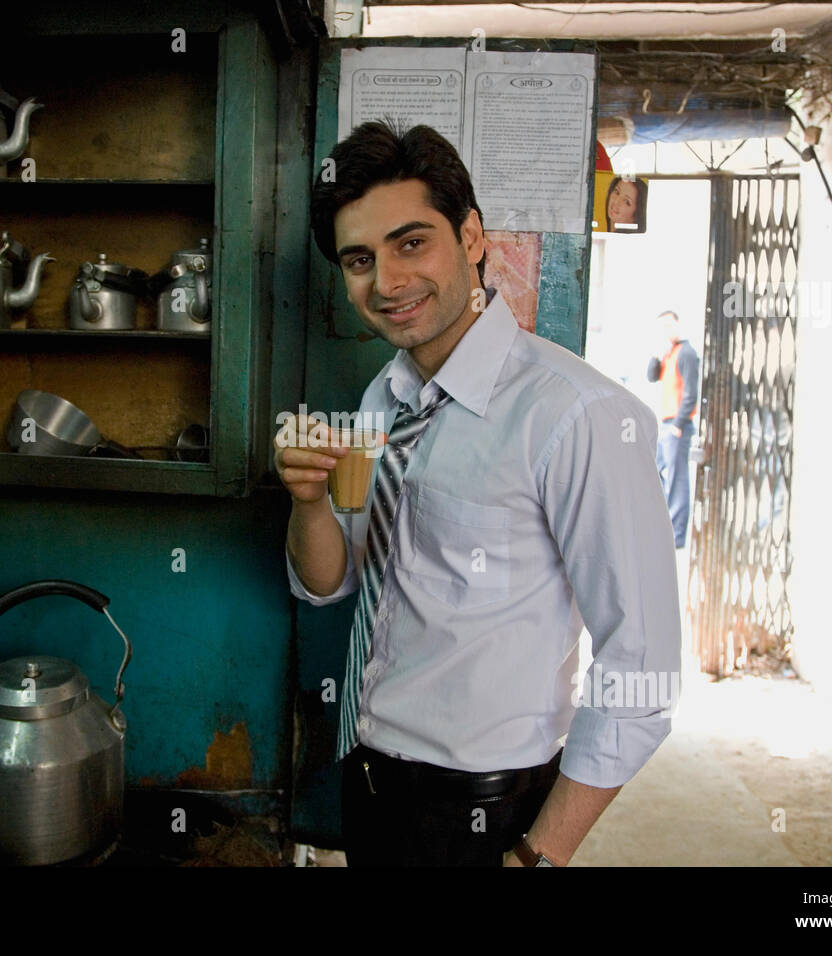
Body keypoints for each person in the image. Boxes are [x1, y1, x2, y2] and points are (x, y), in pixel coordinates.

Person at [273, 120, 682, 867]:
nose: (386, 282)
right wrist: (308, 502)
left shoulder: (577, 415)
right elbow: (332, 583)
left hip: (482, 812)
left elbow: (642, 665)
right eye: (360, 259)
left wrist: (538, 857)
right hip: (368, 779)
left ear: (470, 237)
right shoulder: (384, 399)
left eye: (411, 243)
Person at [645, 310, 700, 549]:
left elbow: (690, 393)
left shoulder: (686, 353)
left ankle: (676, 536)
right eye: (662, 328)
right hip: (666, 423)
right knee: (654, 468)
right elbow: (651, 376)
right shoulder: (669, 353)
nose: (665, 331)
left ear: (677, 324)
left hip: (678, 425)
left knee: (678, 478)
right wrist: (657, 354)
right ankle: (663, 523)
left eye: (668, 326)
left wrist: (678, 424)